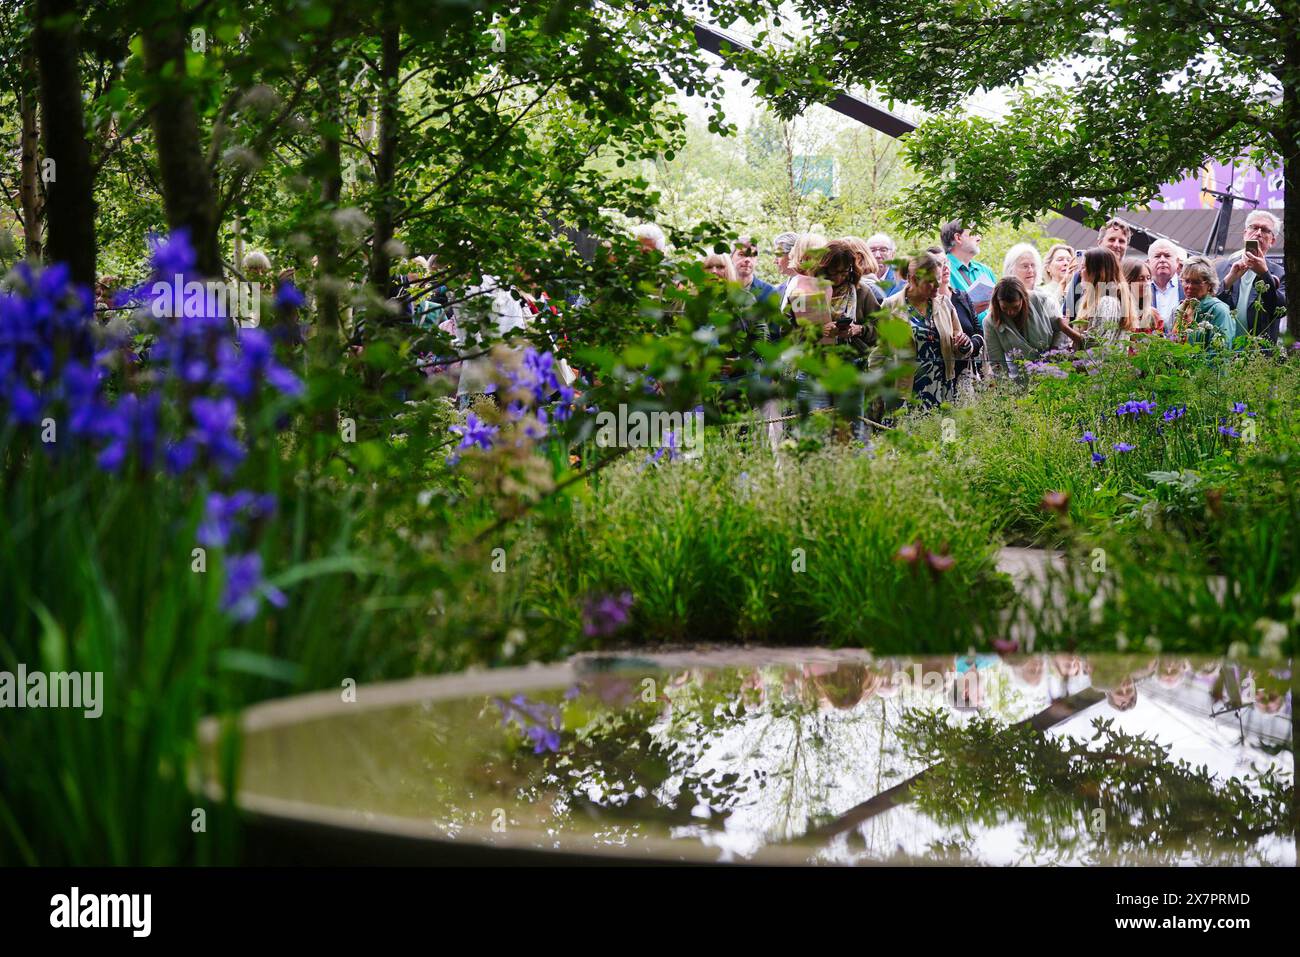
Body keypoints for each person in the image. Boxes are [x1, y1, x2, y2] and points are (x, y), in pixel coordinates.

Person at [883, 251, 974, 409]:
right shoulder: (890, 306)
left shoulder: (945, 304)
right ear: (913, 279)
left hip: (943, 391)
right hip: (906, 393)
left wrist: (963, 344)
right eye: (930, 281)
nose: (937, 285)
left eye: (938, 279)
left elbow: (960, 347)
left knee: (947, 433)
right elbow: (879, 353)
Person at [1214, 210, 1286, 341]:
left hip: (1258, 354)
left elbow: (1279, 310)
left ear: (1272, 240)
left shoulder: (1280, 273)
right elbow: (1208, 304)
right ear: (1245, 234)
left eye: (1265, 230)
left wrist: (1264, 274)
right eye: (1254, 227)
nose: (1258, 233)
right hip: (1222, 350)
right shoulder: (1220, 268)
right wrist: (1228, 281)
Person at [927, 244, 982, 395]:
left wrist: (968, 344)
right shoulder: (925, 302)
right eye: (939, 264)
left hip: (965, 375)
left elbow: (979, 332)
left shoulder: (962, 296)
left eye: (947, 262)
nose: (945, 267)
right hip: (936, 378)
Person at [983, 276, 1063, 378]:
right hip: (1020, 377)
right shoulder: (990, 322)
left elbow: (1060, 330)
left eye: (1015, 307)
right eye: (1004, 308)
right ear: (997, 303)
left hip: (1052, 369)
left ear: (1023, 299)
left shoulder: (1041, 300)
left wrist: (1053, 354)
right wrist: (1005, 388)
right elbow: (997, 363)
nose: (1010, 312)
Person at [1062, 247, 1138, 347]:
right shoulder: (1100, 299)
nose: (1080, 271)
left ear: (1097, 272)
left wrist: (1064, 327)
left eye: (1084, 267)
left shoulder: (1107, 302)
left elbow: (1094, 345)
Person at [1062, 218, 1131, 323]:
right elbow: (1068, 315)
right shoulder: (1082, 275)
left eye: (1121, 241)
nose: (1116, 245)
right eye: (1111, 239)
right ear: (1100, 242)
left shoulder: (1133, 274)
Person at [1171, 257, 1243, 347]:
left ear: (1209, 284)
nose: (1189, 286)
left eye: (1196, 282)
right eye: (1186, 281)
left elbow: (1219, 352)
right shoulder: (1180, 310)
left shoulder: (1219, 311)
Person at [940, 219, 997, 325]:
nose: (979, 238)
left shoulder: (986, 271)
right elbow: (940, 315)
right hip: (964, 338)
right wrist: (968, 311)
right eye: (974, 232)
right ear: (958, 238)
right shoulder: (942, 271)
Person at [1146, 239, 1184, 328]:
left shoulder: (1187, 287)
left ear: (1177, 262)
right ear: (1148, 263)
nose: (1162, 260)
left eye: (1167, 256)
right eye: (1157, 256)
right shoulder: (1139, 289)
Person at [1122, 257, 1164, 334]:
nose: (1147, 283)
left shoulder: (1153, 315)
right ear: (1127, 281)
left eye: (1148, 278)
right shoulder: (1118, 312)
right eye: (1141, 279)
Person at [731, 236, 778, 303]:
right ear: (731, 257)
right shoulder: (722, 289)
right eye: (741, 254)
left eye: (752, 255)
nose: (747, 259)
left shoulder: (769, 292)